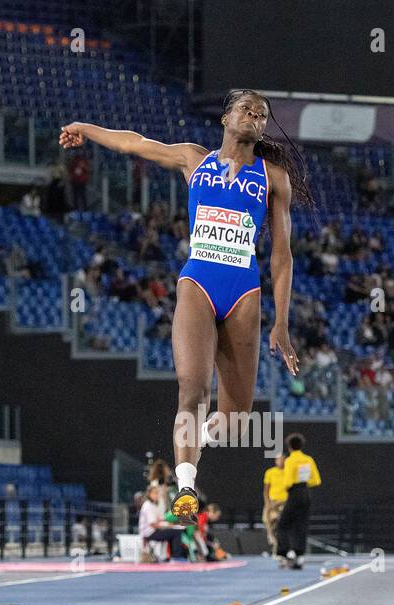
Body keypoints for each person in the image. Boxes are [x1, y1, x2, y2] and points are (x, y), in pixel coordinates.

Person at [59, 88, 311, 525]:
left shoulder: (273, 179)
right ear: (226, 118)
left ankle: (199, 438)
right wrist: (85, 129)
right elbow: (134, 142)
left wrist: (282, 321)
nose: (254, 116)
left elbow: (282, 255)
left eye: (262, 113)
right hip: (199, 281)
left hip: (245, 291)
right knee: (192, 389)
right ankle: (186, 486)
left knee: (235, 422)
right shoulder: (194, 160)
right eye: (246, 109)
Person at [275, 432, 321, 569]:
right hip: (306, 493)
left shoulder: (290, 460)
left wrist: (285, 490)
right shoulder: (308, 460)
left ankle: (287, 552)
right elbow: (316, 480)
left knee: (282, 525)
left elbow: (288, 482)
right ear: (302, 446)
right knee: (301, 525)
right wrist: (303, 482)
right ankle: (300, 556)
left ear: (289, 447)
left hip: (294, 493)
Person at [137, 483, 185, 561]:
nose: (157, 495)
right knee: (176, 532)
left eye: (157, 493)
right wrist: (169, 526)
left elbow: (160, 519)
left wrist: (171, 524)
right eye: (155, 493)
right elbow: (153, 524)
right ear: (149, 494)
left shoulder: (154, 505)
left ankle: (171, 557)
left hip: (153, 531)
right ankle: (176, 557)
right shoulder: (148, 506)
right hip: (149, 533)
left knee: (174, 531)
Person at [262, 452, 287, 556]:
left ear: (285, 460)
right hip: (272, 503)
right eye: (277, 459)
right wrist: (267, 504)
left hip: (284, 503)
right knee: (266, 520)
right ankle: (271, 538)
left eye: (281, 459)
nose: (279, 461)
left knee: (280, 525)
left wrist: (281, 503)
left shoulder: (289, 472)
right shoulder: (270, 472)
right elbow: (266, 490)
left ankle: (279, 549)